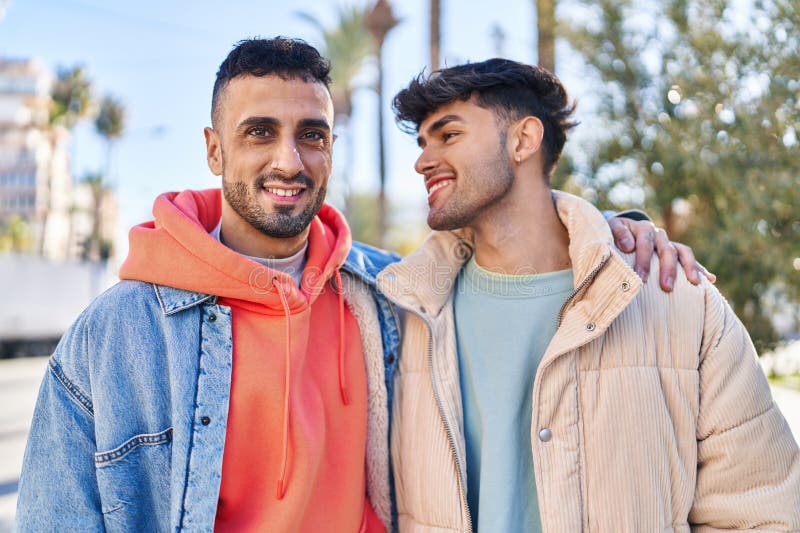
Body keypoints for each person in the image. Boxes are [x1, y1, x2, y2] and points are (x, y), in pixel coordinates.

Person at [15, 38, 703, 532]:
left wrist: (612, 230)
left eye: (312, 134)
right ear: (214, 149)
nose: (290, 159)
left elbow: (514, 245)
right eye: (260, 132)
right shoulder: (114, 335)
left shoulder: (392, 293)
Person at [380, 58, 800, 532]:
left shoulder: (678, 300)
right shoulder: (401, 316)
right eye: (421, 142)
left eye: (448, 135)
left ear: (523, 140)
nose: (421, 161)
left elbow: (759, 510)